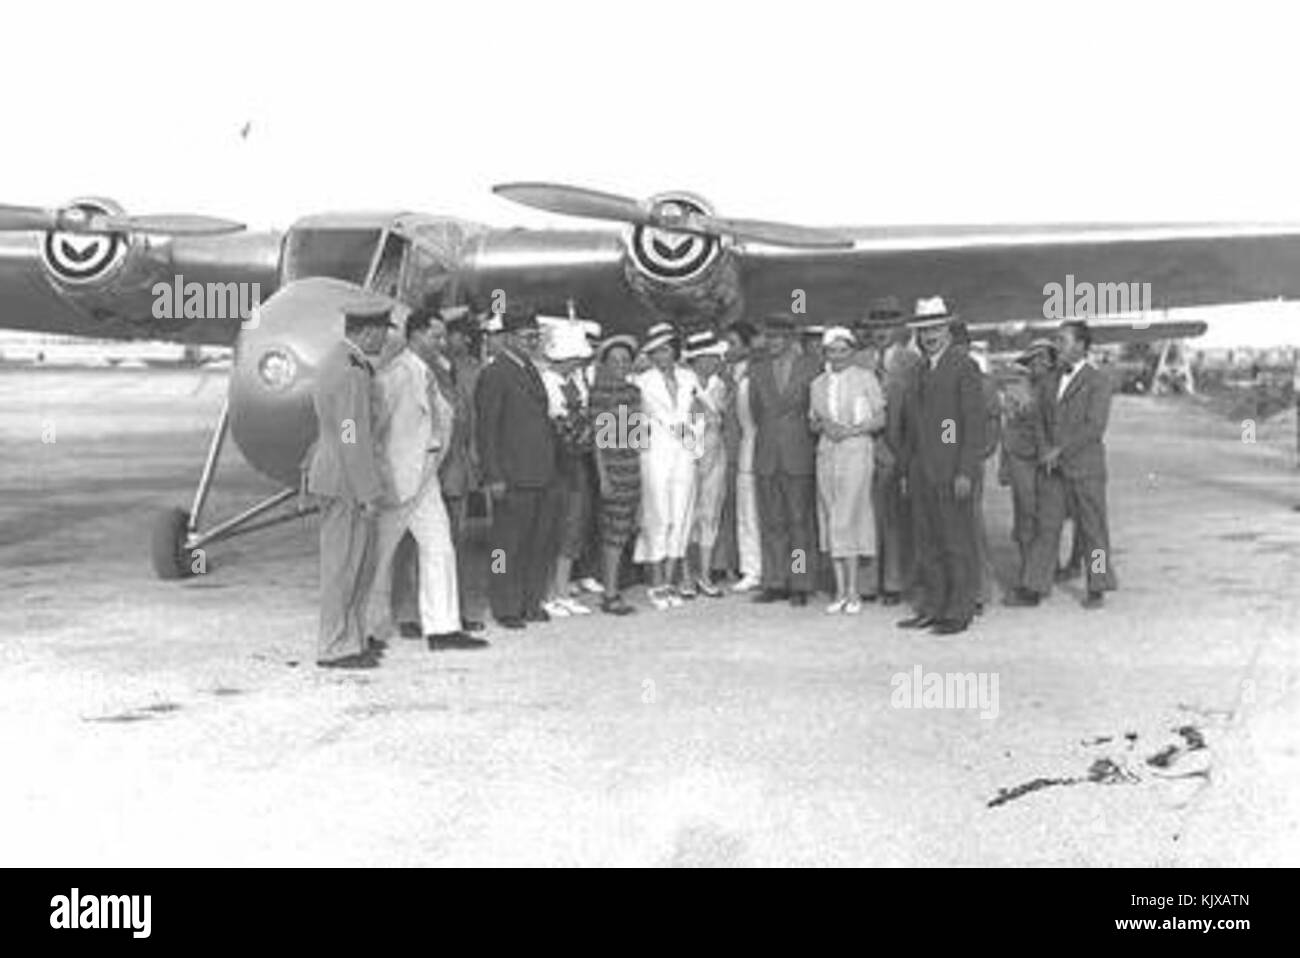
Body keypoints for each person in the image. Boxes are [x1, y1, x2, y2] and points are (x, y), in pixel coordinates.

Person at [366, 309, 485, 651]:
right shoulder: (394, 375)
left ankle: (443, 629)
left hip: (427, 473)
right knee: (382, 555)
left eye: (443, 336)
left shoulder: (433, 371)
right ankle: (369, 631)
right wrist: (377, 477)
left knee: (439, 546)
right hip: (397, 477)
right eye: (435, 336)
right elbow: (374, 429)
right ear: (414, 335)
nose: (442, 342)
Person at [303, 297, 392, 669]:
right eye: (382, 333)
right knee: (343, 567)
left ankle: (351, 639)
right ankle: (335, 646)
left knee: (355, 565)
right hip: (345, 480)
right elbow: (352, 435)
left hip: (336, 473)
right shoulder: (351, 370)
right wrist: (368, 492)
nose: (384, 341)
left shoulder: (338, 360)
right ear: (368, 331)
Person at [1010, 320, 1119, 608]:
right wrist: (1046, 449)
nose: (1057, 346)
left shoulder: (1099, 381)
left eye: (1062, 341)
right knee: (1046, 528)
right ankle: (1034, 586)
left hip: (1085, 469)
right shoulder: (1049, 380)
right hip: (1052, 470)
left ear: (1081, 346)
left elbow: (1094, 426)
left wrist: (1059, 450)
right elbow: (1038, 420)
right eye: (1056, 341)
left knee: (1092, 529)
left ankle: (1098, 586)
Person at [894, 296, 987, 635]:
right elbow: (912, 427)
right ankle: (932, 606)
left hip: (950, 470)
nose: (929, 335)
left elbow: (971, 424)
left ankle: (959, 609)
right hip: (921, 471)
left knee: (956, 542)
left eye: (935, 328)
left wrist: (964, 470)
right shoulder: (917, 369)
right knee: (927, 543)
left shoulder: (964, 366)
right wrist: (907, 471)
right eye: (923, 330)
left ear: (948, 329)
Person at [474, 308, 562, 629]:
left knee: (537, 543)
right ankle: (504, 605)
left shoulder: (530, 370)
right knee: (504, 546)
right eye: (527, 337)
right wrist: (493, 475)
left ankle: (529, 601)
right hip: (511, 476)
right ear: (508, 338)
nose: (532, 342)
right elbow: (487, 430)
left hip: (539, 473)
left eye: (535, 336)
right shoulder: (495, 373)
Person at [810, 326, 887, 614]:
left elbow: (880, 418)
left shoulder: (866, 379)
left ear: (852, 352)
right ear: (826, 353)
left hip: (856, 450)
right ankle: (839, 590)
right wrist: (825, 427)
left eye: (843, 351)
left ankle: (854, 590)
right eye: (833, 351)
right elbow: (813, 421)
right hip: (827, 452)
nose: (838, 356)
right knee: (831, 516)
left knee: (847, 517)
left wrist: (854, 429)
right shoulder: (817, 384)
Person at [749, 315, 822, 606]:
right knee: (772, 522)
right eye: (769, 337)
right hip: (767, 454)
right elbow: (757, 413)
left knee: (799, 522)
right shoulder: (757, 370)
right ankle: (775, 581)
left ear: (791, 339)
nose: (772, 342)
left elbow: (815, 409)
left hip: (798, 453)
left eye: (778, 337)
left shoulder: (811, 367)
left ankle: (800, 582)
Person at [632, 322, 701, 610]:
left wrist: (694, 447)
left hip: (684, 453)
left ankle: (670, 581)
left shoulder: (688, 377)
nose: (662, 356)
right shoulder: (640, 381)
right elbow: (632, 421)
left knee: (681, 517)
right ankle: (656, 582)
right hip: (654, 454)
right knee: (657, 516)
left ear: (675, 351)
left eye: (666, 350)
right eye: (655, 352)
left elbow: (696, 414)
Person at [539, 321, 597, 617]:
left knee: (574, 524)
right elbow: (555, 423)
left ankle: (562, 589)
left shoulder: (575, 380)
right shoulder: (546, 381)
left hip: (576, 460)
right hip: (556, 461)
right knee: (556, 524)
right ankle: (549, 592)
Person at [588, 335, 642, 614]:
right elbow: (598, 440)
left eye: (625, 360)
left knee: (624, 532)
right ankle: (609, 593)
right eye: (615, 360)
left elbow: (636, 436)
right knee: (613, 533)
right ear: (605, 364)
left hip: (632, 467)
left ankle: (615, 587)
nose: (621, 365)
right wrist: (603, 477)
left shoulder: (633, 392)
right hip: (612, 469)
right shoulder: (600, 393)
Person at [999, 338, 1056, 592]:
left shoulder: (1056, 388)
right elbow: (1008, 427)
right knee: (1026, 511)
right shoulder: (1016, 388)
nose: (1041, 363)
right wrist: (1004, 465)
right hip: (1021, 456)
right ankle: (1028, 572)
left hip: (1049, 458)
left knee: (1047, 514)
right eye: (1036, 358)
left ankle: (1043, 569)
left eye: (1046, 358)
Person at [683, 329, 731, 598]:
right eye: (711, 356)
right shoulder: (683, 383)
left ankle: (704, 573)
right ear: (698, 358)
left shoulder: (719, 385)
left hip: (716, 453)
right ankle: (686, 576)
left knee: (710, 513)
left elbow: (719, 418)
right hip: (688, 453)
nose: (716, 361)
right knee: (687, 514)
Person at [723, 320, 765, 592]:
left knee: (755, 512)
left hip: (753, 449)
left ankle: (759, 569)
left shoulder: (757, 374)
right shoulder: (725, 375)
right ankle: (744, 566)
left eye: (733, 343)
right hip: (728, 452)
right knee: (740, 514)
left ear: (749, 347)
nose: (727, 349)